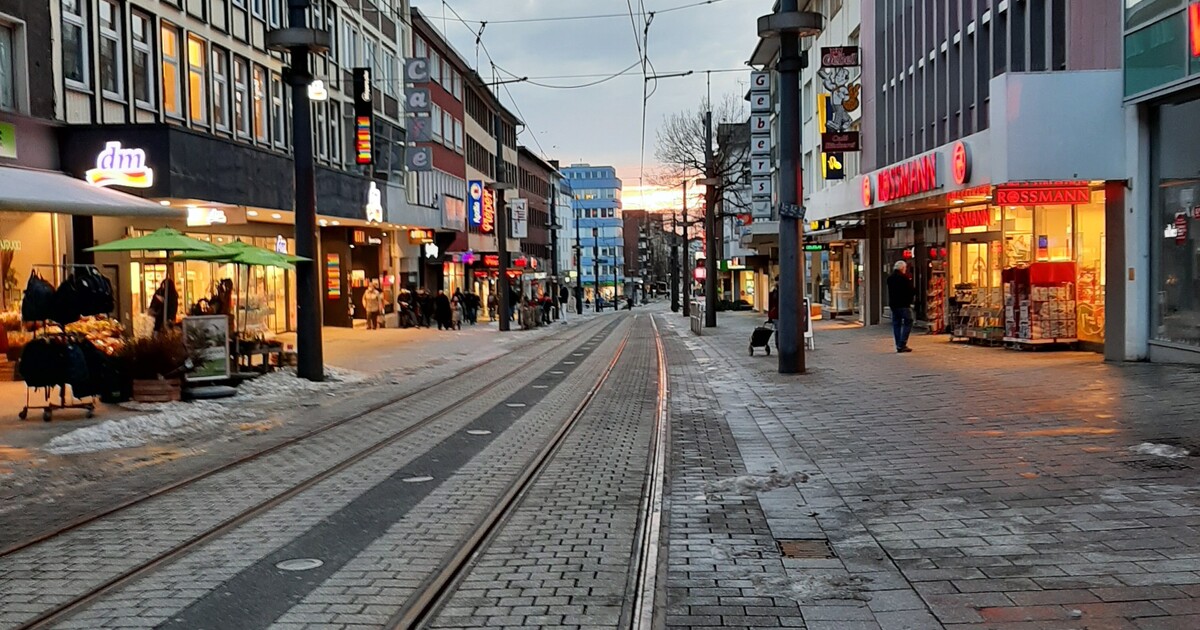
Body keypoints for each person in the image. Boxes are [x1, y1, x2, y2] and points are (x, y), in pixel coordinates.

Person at [887, 260, 915, 353]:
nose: (905, 270)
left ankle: (898, 344)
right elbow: (910, 291)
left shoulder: (890, 278)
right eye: (905, 268)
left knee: (896, 324)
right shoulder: (904, 278)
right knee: (909, 321)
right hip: (904, 304)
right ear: (902, 268)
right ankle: (902, 344)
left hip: (894, 305)